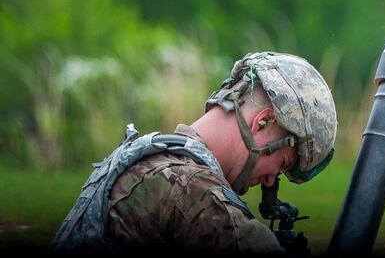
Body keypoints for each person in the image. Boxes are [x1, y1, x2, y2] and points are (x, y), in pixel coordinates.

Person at [52, 51, 337, 253]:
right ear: (262, 121)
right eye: (282, 162)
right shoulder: (191, 191)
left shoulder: (142, 159)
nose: (271, 181)